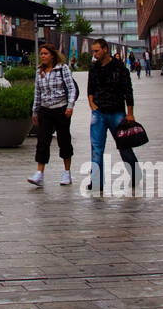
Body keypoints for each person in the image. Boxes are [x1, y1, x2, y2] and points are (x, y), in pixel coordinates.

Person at [86, 38, 137, 194]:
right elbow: (90, 88)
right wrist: (92, 104)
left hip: (117, 112)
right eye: (93, 51)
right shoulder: (94, 68)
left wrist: (130, 114)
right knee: (96, 148)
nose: (94, 54)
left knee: (124, 146)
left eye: (97, 51)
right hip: (99, 112)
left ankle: (135, 173)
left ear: (105, 49)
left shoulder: (119, 68)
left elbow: (128, 91)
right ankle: (97, 182)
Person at [29, 43, 79, 188]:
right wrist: (35, 111)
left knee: (64, 140)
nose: (42, 56)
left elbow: (71, 88)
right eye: (41, 54)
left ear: (52, 55)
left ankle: (67, 172)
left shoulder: (62, 69)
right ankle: (39, 173)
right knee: (42, 141)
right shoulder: (39, 71)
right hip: (45, 110)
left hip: (61, 109)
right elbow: (37, 93)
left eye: (45, 53)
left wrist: (70, 106)